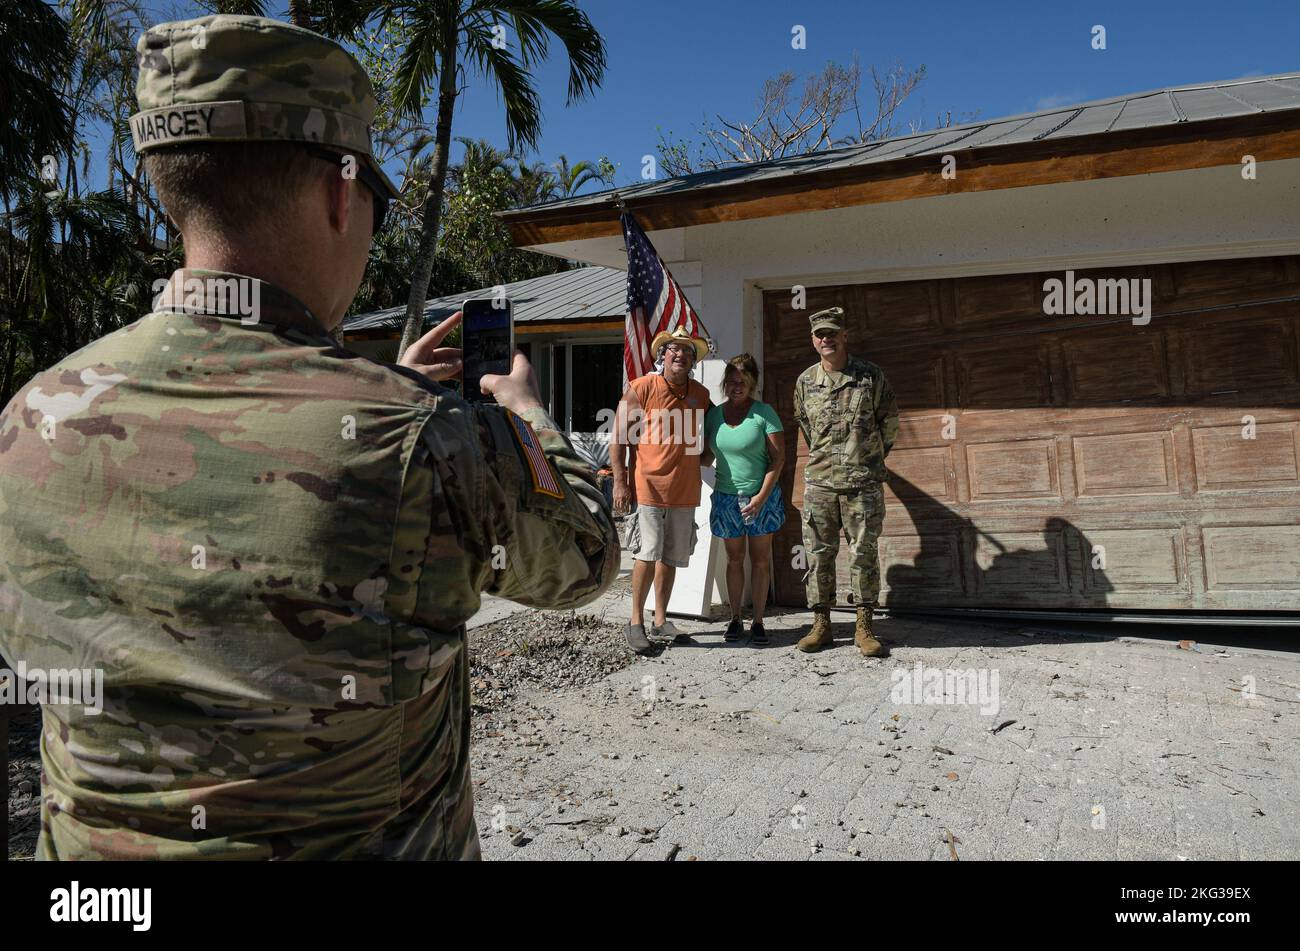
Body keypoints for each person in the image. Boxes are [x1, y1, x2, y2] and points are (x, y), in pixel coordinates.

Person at [0, 14, 617, 860]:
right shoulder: (426, 440)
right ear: (340, 190)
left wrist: (377, 394)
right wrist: (524, 416)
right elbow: (586, 555)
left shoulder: (28, 419)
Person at [792, 307, 899, 656]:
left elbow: (889, 422)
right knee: (819, 555)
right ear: (813, 339)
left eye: (832, 333)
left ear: (844, 335)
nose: (826, 339)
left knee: (863, 553)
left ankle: (864, 626)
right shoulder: (805, 382)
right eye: (820, 334)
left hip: (863, 483)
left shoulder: (870, 376)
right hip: (821, 483)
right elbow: (807, 429)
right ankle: (821, 624)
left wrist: (866, 458)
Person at [611, 327, 712, 654]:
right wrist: (619, 481)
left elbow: (714, 430)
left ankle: (661, 619)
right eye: (673, 350)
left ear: (693, 359)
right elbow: (619, 438)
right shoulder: (642, 388)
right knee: (647, 553)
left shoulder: (701, 394)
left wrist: (710, 451)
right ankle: (636, 622)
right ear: (662, 356)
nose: (680, 355)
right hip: (649, 486)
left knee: (670, 556)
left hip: (684, 488)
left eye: (686, 351)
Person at [704, 354, 785, 645]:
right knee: (734, 560)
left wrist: (762, 497)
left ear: (752, 384)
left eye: (744, 382)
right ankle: (736, 618)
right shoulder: (714, 415)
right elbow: (706, 455)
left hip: (762, 498)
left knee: (761, 561)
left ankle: (760, 622)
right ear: (725, 383)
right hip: (727, 499)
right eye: (733, 381)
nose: (737, 387)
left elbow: (778, 460)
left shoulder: (765, 414)